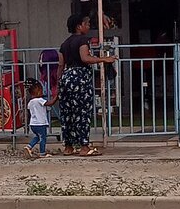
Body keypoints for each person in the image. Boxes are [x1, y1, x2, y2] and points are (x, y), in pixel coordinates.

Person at [57, 13, 117, 156]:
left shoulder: (64, 43)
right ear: (79, 26)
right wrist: (104, 59)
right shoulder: (83, 40)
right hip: (80, 79)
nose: (89, 26)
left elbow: (60, 65)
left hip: (66, 78)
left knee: (68, 113)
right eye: (87, 24)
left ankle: (68, 146)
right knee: (82, 112)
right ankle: (84, 146)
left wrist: (59, 83)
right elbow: (85, 58)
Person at [24, 79, 55, 158]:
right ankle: (42, 153)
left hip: (33, 124)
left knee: (37, 137)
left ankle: (29, 147)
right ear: (37, 91)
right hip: (41, 123)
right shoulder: (40, 100)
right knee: (43, 138)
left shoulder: (30, 102)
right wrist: (56, 97)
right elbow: (50, 103)